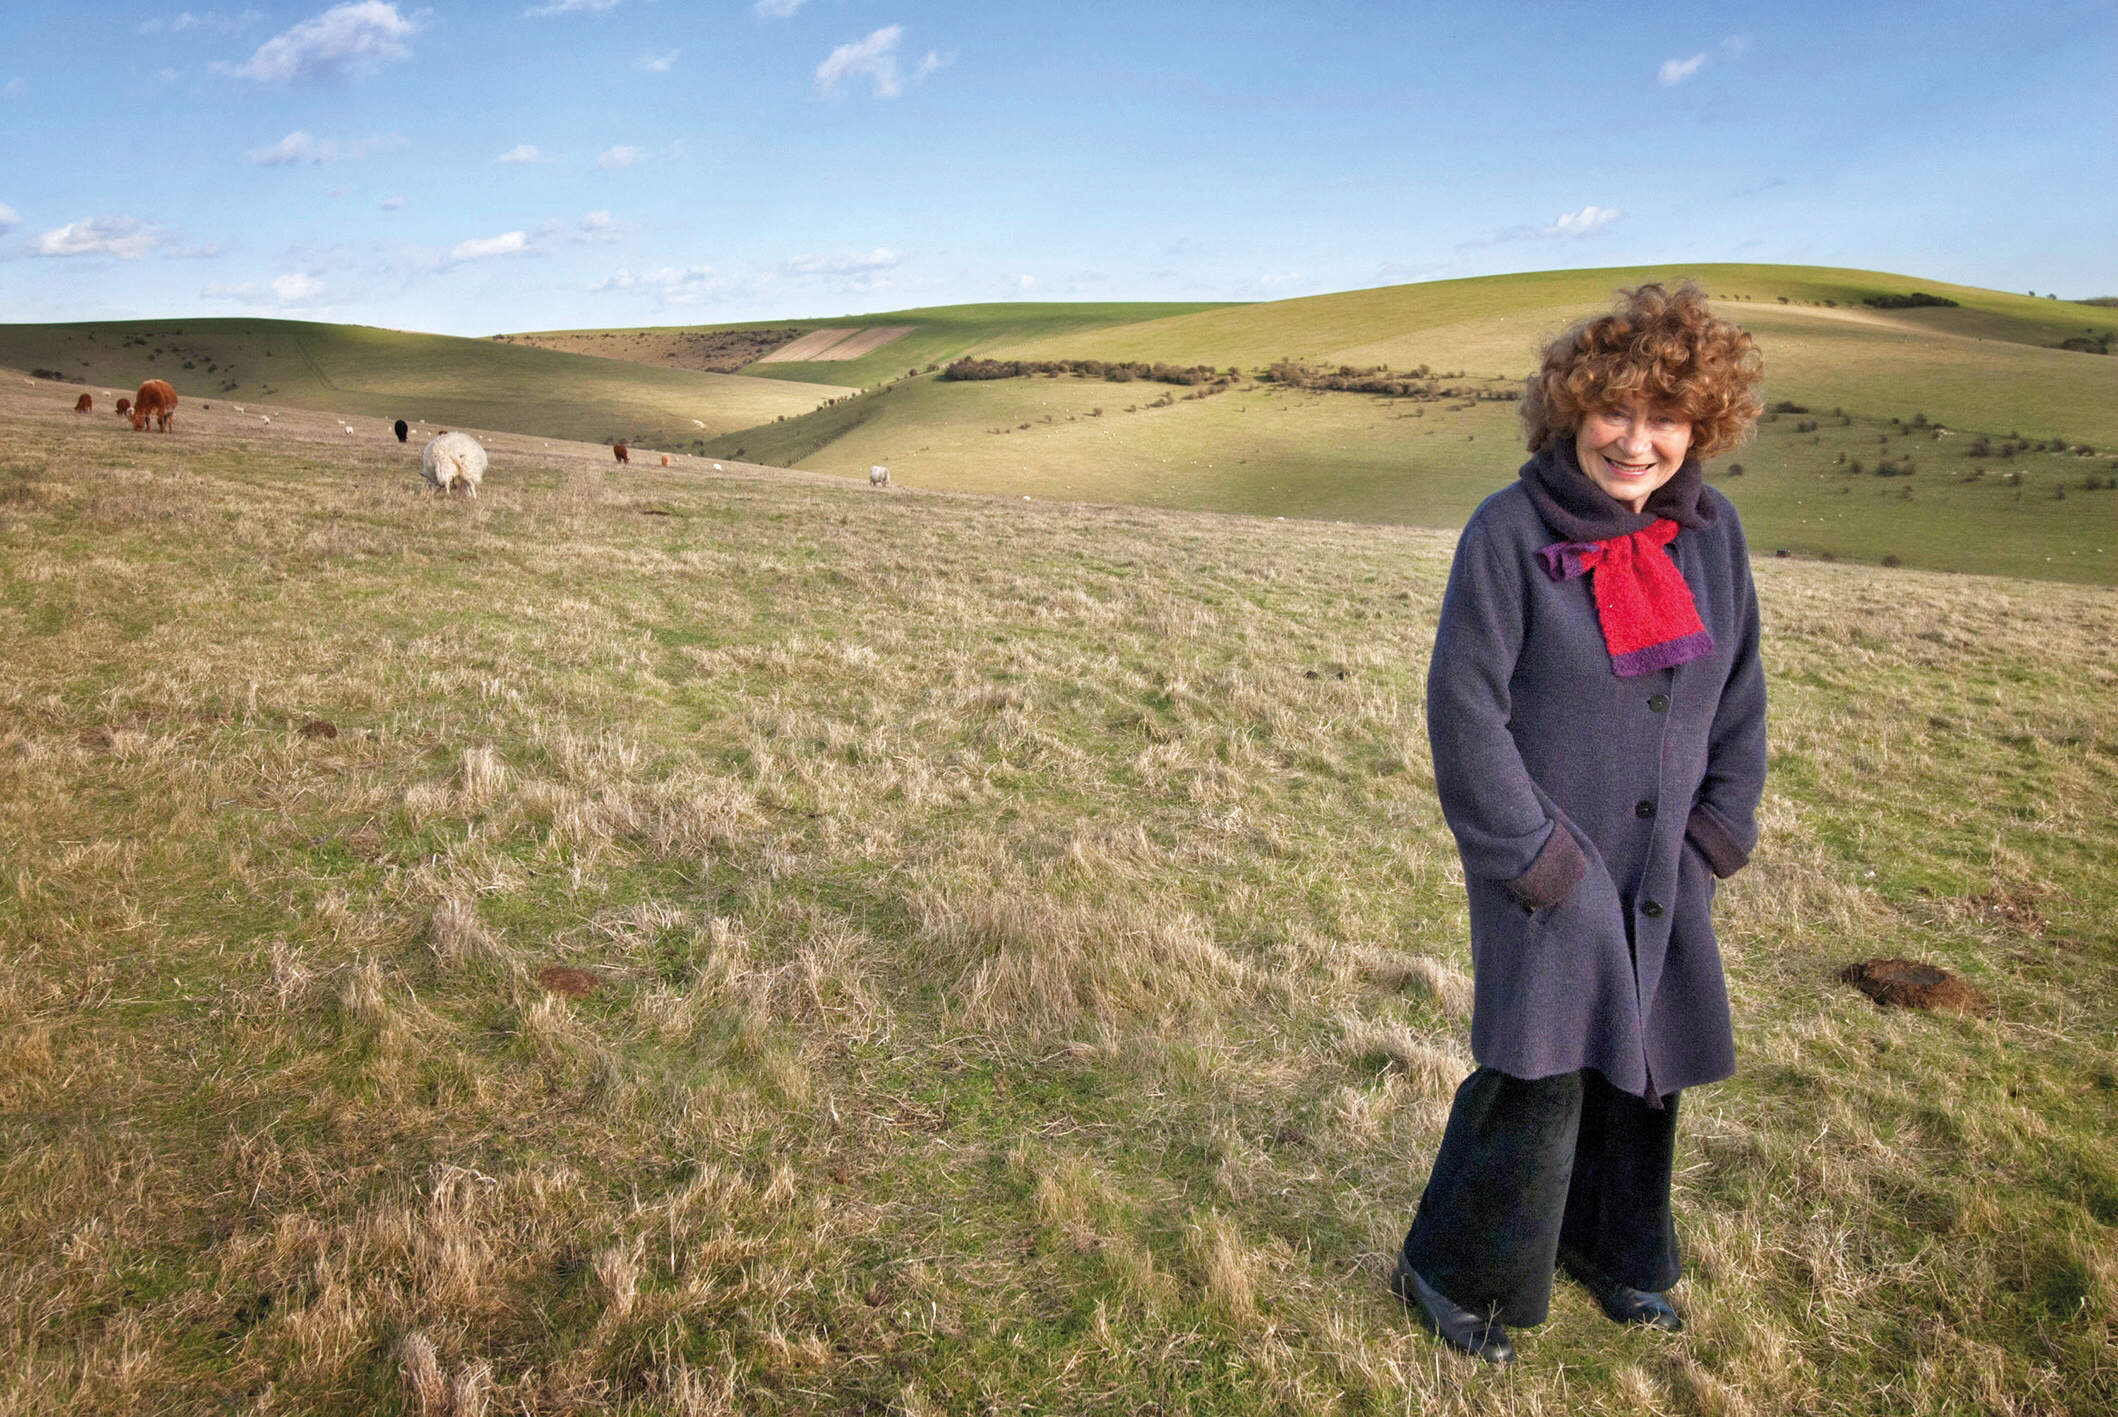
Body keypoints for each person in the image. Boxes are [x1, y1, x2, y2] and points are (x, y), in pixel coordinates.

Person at [1391, 283, 1767, 1365]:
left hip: (1667, 858)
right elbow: (1465, 710)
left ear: (1702, 426)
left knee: (1648, 1061)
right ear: (1571, 410)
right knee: (1539, 1064)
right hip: (1546, 862)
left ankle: (1616, 1248)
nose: (1638, 442)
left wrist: (1717, 833)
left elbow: (1739, 689)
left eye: (1666, 419)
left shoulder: (1713, 535)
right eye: (1616, 412)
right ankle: (1453, 1267)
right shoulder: (1507, 534)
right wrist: (1536, 858)